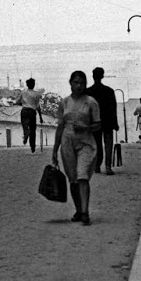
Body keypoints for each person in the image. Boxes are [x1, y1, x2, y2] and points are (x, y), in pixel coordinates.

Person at [51, 71, 101, 225]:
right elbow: (60, 126)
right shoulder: (64, 103)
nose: (78, 86)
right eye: (76, 82)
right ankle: (79, 210)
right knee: (72, 179)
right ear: (70, 83)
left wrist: (86, 127)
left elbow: (98, 124)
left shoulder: (91, 102)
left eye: (81, 83)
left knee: (82, 175)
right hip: (67, 143)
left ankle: (85, 212)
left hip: (86, 143)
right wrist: (55, 150)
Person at [88, 68, 118, 174]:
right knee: (108, 144)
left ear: (93, 76)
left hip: (95, 122)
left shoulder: (88, 92)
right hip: (108, 121)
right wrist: (115, 123)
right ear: (102, 76)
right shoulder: (109, 91)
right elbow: (113, 108)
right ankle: (108, 166)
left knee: (97, 144)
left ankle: (97, 165)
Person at [19, 76, 44, 154]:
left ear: (27, 85)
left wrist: (22, 103)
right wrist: (40, 117)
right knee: (33, 130)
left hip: (24, 111)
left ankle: (26, 132)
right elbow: (37, 106)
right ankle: (32, 147)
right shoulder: (36, 94)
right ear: (33, 85)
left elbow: (17, 101)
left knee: (24, 124)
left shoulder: (23, 92)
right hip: (32, 112)